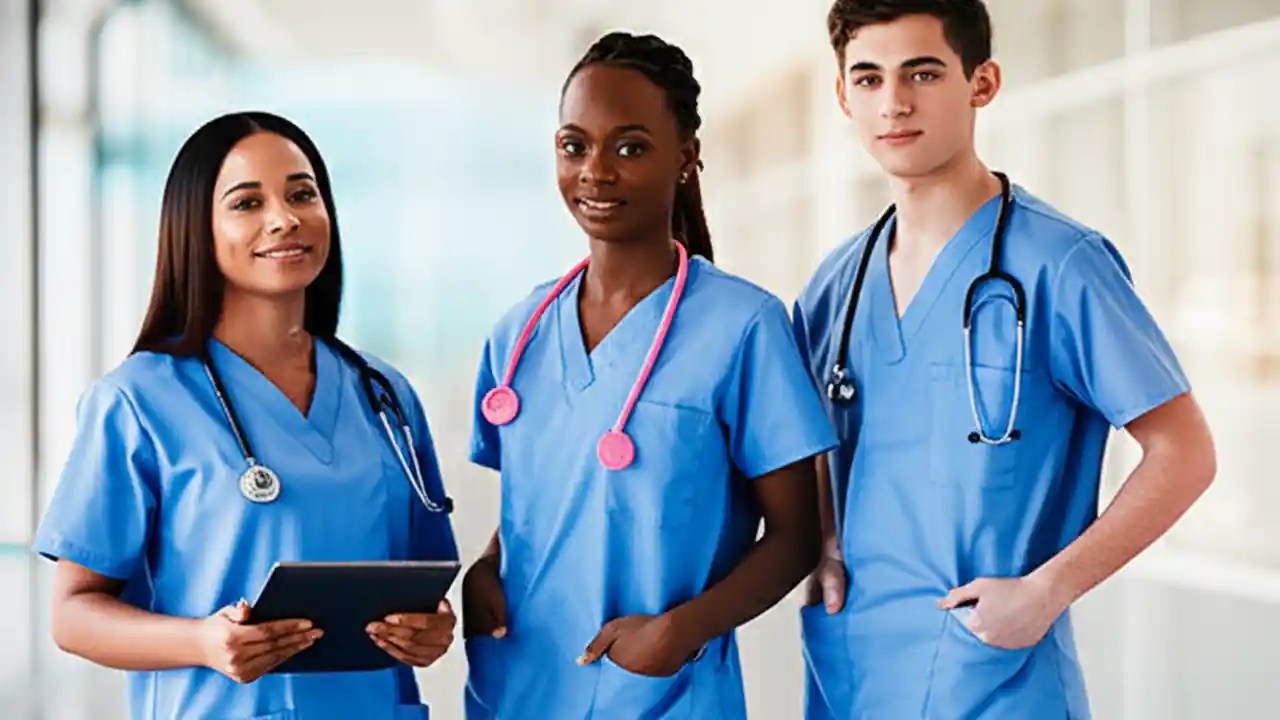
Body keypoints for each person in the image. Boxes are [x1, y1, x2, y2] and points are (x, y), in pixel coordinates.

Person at [793, 2, 1217, 718]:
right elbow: (809, 444)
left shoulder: (1060, 265)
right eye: (867, 79)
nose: (893, 102)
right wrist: (825, 543)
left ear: (982, 83)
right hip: (854, 670)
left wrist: (1048, 590)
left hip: (995, 678)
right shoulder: (838, 285)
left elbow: (1185, 451)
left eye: (922, 73)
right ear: (842, 95)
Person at [461, 31, 837, 720]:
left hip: (662, 694)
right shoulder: (518, 333)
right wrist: (485, 569)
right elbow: (550, 502)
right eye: (575, 145)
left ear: (687, 158)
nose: (595, 172)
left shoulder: (743, 326)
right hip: (521, 685)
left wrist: (683, 630)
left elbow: (795, 538)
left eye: (629, 147)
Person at [34, 111, 459, 719]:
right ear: (197, 229)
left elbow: (426, 587)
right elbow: (73, 615)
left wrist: (430, 632)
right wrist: (203, 643)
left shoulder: (385, 395)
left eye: (301, 194)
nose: (284, 219)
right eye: (246, 203)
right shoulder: (139, 402)